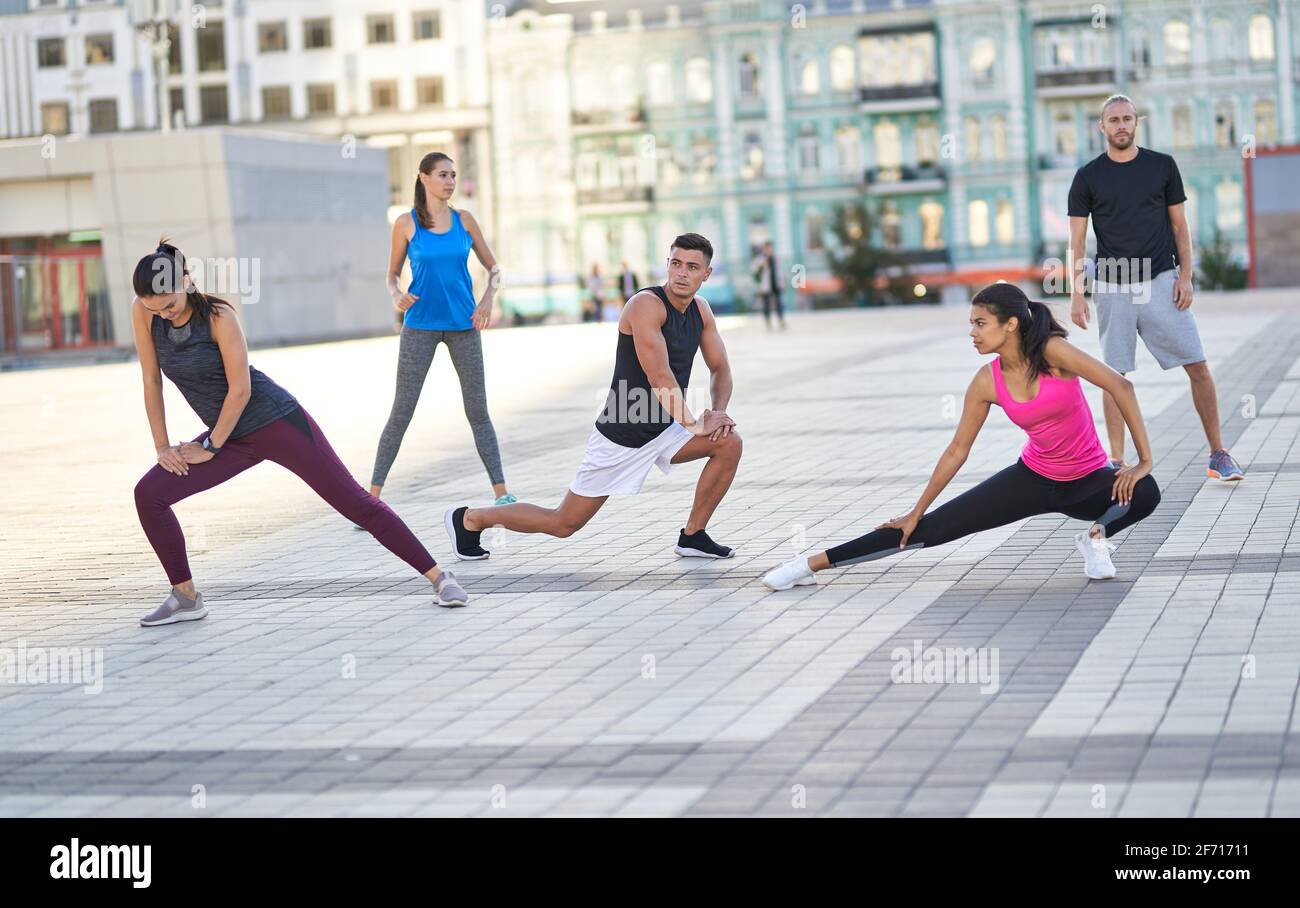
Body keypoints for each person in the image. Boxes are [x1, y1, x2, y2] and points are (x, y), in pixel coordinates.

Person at [130, 240, 468, 625]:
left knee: (353, 501)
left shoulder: (219, 316)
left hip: (273, 421)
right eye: (154, 308)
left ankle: (440, 578)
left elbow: (240, 390)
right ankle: (186, 597)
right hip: (226, 435)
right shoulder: (145, 314)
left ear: (186, 282)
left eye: (169, 305)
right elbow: (150, 381)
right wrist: (163, 446)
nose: (164, 314)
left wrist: (209, 444)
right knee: (149, 495)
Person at [763, 283, 1161, 591]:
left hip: (1090, 480)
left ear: (1011, 324)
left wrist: (1139, 459)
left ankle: (1096, 537)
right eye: (971, 323)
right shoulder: (986, 381)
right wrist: (916, 510)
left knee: (1147, 492)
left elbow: (1119, 387)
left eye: (980, 323)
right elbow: (957, 451)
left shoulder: (1054, 353)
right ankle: (809, 565)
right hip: (1033, 479)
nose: (972, 333)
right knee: (928, 531)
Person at [444, 233, 742, 561]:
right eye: (675, 263)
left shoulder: (701, 310)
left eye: (692, 267)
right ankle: (471, 519)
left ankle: (692, 535)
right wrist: (695, 424)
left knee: (728, 441)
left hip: (666, 427)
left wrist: (717, 414)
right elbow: (659, 376)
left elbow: (720, 367)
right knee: (564, 523)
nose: (682, 273)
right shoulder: (645, 306)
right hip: (623, 433)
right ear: (667, 265)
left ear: (706, 274)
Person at [1068, 93, 1244, 482]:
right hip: (1112, 285)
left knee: (1197, 365)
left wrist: (1186, 276)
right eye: (1113, 120)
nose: (1121, 125)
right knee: (1114, 375)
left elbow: (1180, 226)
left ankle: (1218, 453)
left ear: (1136, 123)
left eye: (1127, 118)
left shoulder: (1162, 167)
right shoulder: (1087, 177)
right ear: (1102, 127)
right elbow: (1077, 241)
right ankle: (1115, 462)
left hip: (1163, 280)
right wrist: (1077, 293)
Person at [369, 151, 517, 515]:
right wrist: (396, 295)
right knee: (402, 411)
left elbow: (494, 268)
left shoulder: (465, 220)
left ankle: (502, 492)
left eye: (453, 175)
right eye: (443, 175)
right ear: (424, 178)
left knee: (477, 410)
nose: (450, 181)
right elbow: (390, 275)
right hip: (418, 326)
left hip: (464, 326)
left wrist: (487, 301)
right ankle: (370, 500)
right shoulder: (406, 223)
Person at [751, 241, 786, 330]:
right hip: (765, 286)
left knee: (779, 303)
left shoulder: (776, 258)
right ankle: (768, 321)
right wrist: (761, 266)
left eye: (769, 248)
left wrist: (783, 283)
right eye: (766, 248)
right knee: (766, 305)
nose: (768, 250)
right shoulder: (760, 259)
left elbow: (781, 272)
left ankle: (781, 320)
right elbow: (754, 273)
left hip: (776, 285)